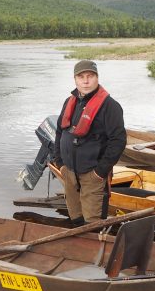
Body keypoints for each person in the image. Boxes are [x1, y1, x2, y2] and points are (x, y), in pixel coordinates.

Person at [52, 59, 127, 225]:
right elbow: (59, 131)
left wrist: (100, 172)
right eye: (81, 77)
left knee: (92, 223)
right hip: (69, 172)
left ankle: (97, 248)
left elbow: (118, 141)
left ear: (97, 78)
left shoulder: (110, 106)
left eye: (90, 76)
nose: (85, 81)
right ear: (75, 79)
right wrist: (60, 163)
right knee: (75, 218)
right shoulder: (69, 101)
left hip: (92, 175)